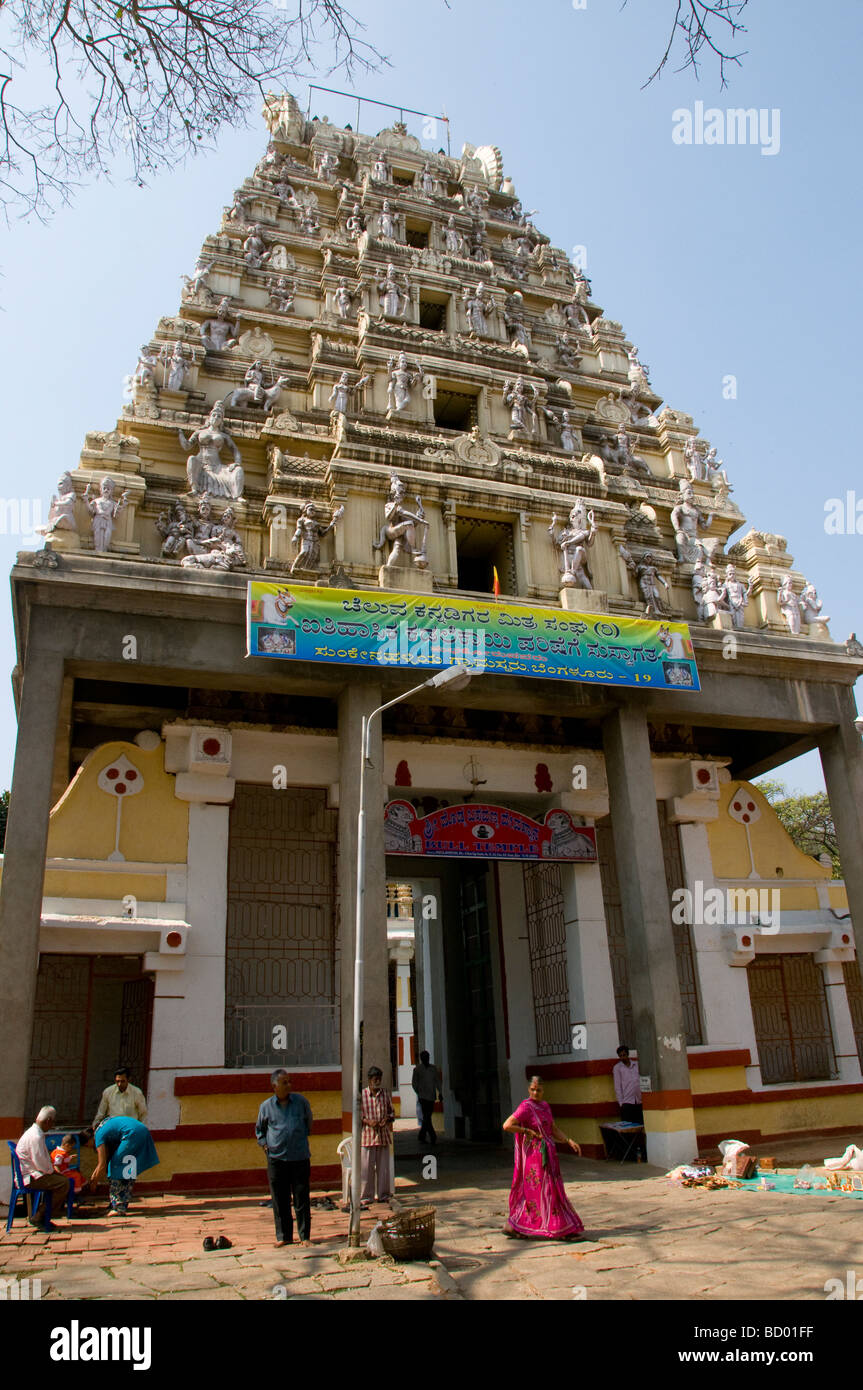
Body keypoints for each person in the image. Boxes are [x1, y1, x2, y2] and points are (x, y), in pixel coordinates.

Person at [502, 1075, 584, 1240]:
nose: (535, 1093)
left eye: (538, 1090)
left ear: (543, 1090)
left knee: (554, 1190)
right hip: (534, 1158)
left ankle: (526, 1225)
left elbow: (552, 1129)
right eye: (532, 1089)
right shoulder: (526, 1107)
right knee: (539, 1192)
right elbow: (507, 1125)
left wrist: (568, 1140)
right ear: (528, 1089)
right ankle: (557, 1227)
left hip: (549, 1155)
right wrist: (527, 1131)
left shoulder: (545, 1106)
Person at [255, 1069, 313, 1248]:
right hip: (276, 1159)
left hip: (299, 1156)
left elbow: (308, 1123)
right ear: (274, 1086)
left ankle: (305, 1236)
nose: (289, 1085)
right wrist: (265, 1145)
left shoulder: (301, 1102)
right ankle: (284, 1236)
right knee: (280, 1199)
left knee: (301, 1198)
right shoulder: (266, 1106)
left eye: (289, 1081)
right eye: (284, 1082)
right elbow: (260, 1130)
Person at [87, 1115, 159, 1216]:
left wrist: (94, 1182)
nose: (90, 1147)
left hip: (132, 1134)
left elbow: (102, 1164)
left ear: (90, 1138)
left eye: (87, 1145)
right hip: (141, 1130)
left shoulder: (98, 1135)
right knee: (128, 1167)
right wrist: (94, 1176)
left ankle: (118, 1207)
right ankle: (120, 1204)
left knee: (115, 1166)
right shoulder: (105, 1126)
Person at [15, 1106, 72, 1231]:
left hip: (33, 1173)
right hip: (30, 1177)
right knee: (63, 1183)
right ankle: (40, 1216)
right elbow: (41, 1164)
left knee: (61, 1180)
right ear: (48, 1121)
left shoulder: (34, 1132)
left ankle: (43, 1214)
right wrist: (53, 1172)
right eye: (52, 1122)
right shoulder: (36, 1136)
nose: (52, 1126)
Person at [361, 1066, 395, 1207]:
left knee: (384, 1169)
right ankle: (366, 1197)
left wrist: (386, 1119)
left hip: (383, 1136)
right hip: (368, 1136)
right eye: (375, 1078)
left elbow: (392, 1113)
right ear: (369, 1080)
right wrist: (369, 1121)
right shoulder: (362, 1095)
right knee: (366, 1169)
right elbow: (358, 1116)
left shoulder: (385, 1094)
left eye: (379, 1078)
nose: (377, 1081)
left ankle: (383, 1195)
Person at [613, 1045, 646, 1160]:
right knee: (628, 1130)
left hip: (638, 1101)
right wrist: (621, 1103)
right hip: (627, 1103)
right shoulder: (618, 1068)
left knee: (640, 1129)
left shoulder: (636, 1065)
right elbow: (618, 1087)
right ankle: (630, 1154)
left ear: (628, 1054)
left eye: (624, 1055)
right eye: (620, 1056)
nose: (623, 1057)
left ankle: (642, 1152)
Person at [411, 1051, 441, 1147]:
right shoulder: (418, 1069)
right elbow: (414, 1083)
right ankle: (433, 1137)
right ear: (421, 1058)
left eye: (427, 1057)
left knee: (427, 1117)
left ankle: (422, 1135)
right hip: (423, 1097)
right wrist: (419, 1092)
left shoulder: (433, 1069)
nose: (425, 1058)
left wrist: (440, 1092)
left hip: (431, 1096)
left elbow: (437, 1082)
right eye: (424, 1057)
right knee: (427, 1116)